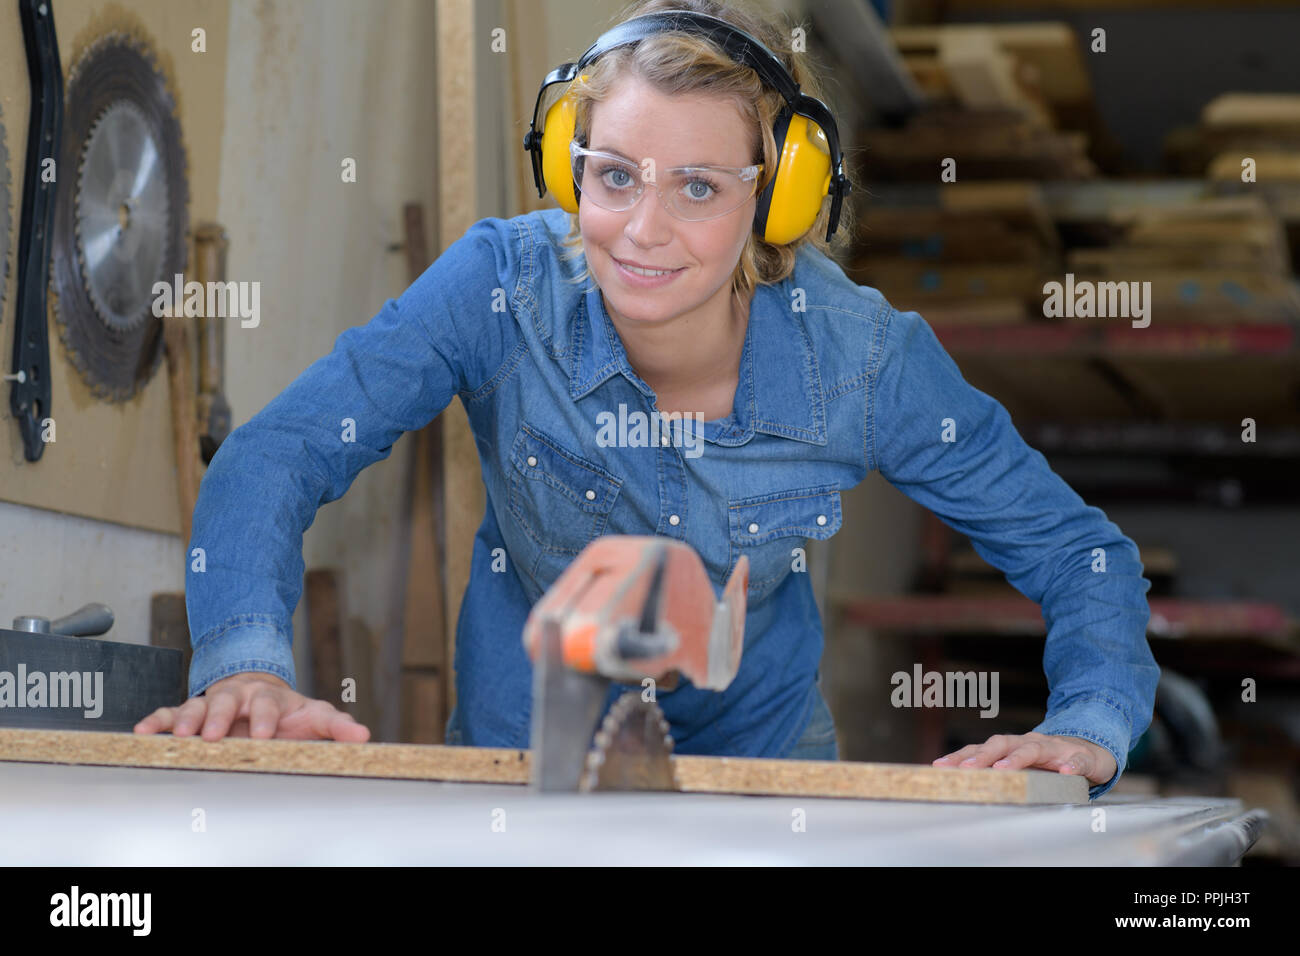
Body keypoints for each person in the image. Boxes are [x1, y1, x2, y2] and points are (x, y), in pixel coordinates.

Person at [135, 0, 1159, 799]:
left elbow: (1077, 550)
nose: (641, 230)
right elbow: (279, 452)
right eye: (614, 175)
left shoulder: (865, 360)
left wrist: (1089, 722)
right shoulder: (500, 287)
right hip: (526, 715)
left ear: (781, 198)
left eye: (700, 187)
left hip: (763, 742)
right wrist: (244, 666)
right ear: (566, 164)